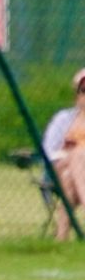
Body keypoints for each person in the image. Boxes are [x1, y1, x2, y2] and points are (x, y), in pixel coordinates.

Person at [40, 67, 85, 241]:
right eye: (83, 90)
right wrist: (71, 156)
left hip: (71, 176)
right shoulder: (63, 119)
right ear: (76, 95)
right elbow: (48, 151)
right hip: (59, 168)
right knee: (77, 155)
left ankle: (61, 239)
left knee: (69, 182)